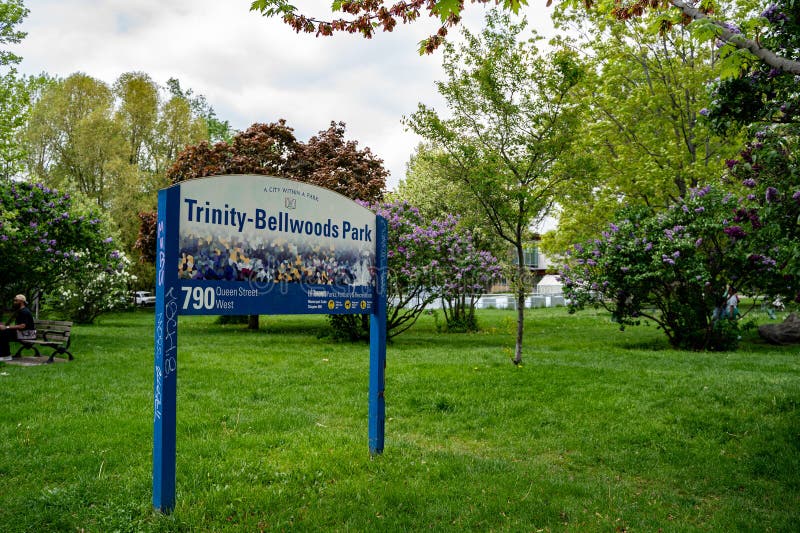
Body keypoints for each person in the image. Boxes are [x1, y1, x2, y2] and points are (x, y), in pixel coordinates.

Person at [0, 294, 36, 361]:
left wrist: (6, 327)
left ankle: (6, 355)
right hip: (23, 333)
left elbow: (22, 326)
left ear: (21, 301)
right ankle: (3, 354)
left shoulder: (24, 311)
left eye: (16, 301)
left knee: (4, 333)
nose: (14, 302)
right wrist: (3, 326)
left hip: (28, 334)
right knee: (3, 331)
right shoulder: (20, 311)